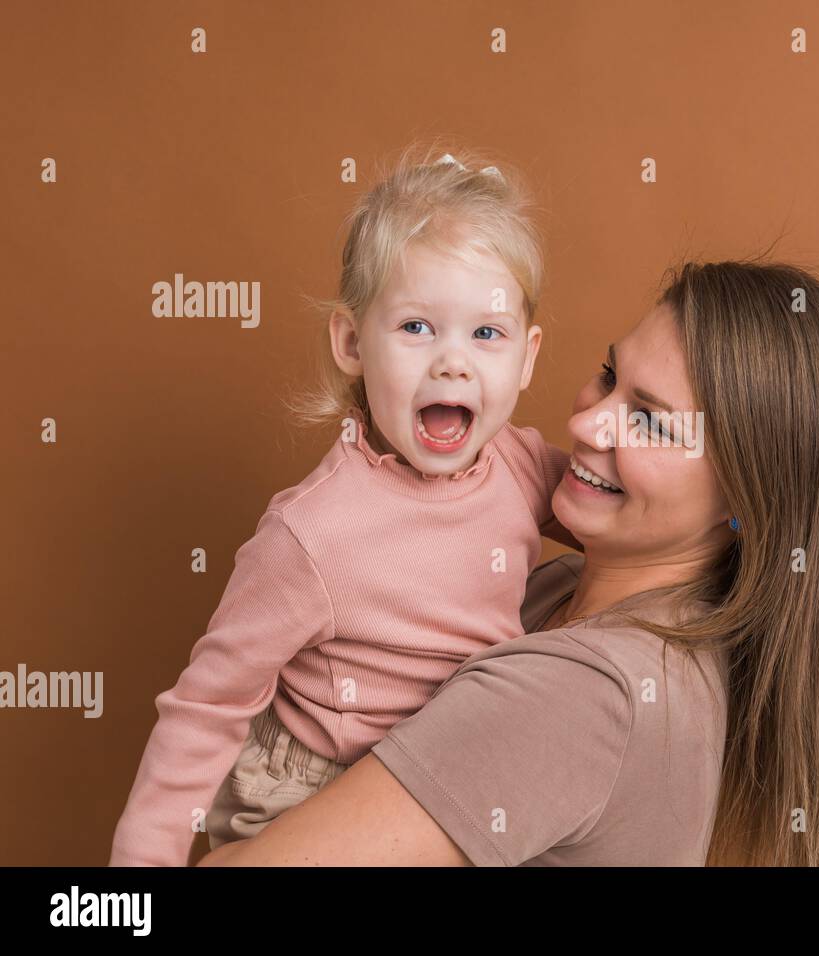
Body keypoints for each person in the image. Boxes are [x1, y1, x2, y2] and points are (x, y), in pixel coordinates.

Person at [201, 258, 819, 866]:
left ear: (748, 504)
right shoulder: (596, 600)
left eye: (650, 421)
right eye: (607, 375)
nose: (587, 422)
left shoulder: (587, 694)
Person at [110, 143, 576, 866]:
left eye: (486, 334)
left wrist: (735, 519)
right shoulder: (315, 532)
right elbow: (208, 705)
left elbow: (622, 507)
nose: (453, 361)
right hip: (308, 789)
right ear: (352, 341)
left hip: (434, 775)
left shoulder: (518, 467)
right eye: (417, 327)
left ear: (526, 356)